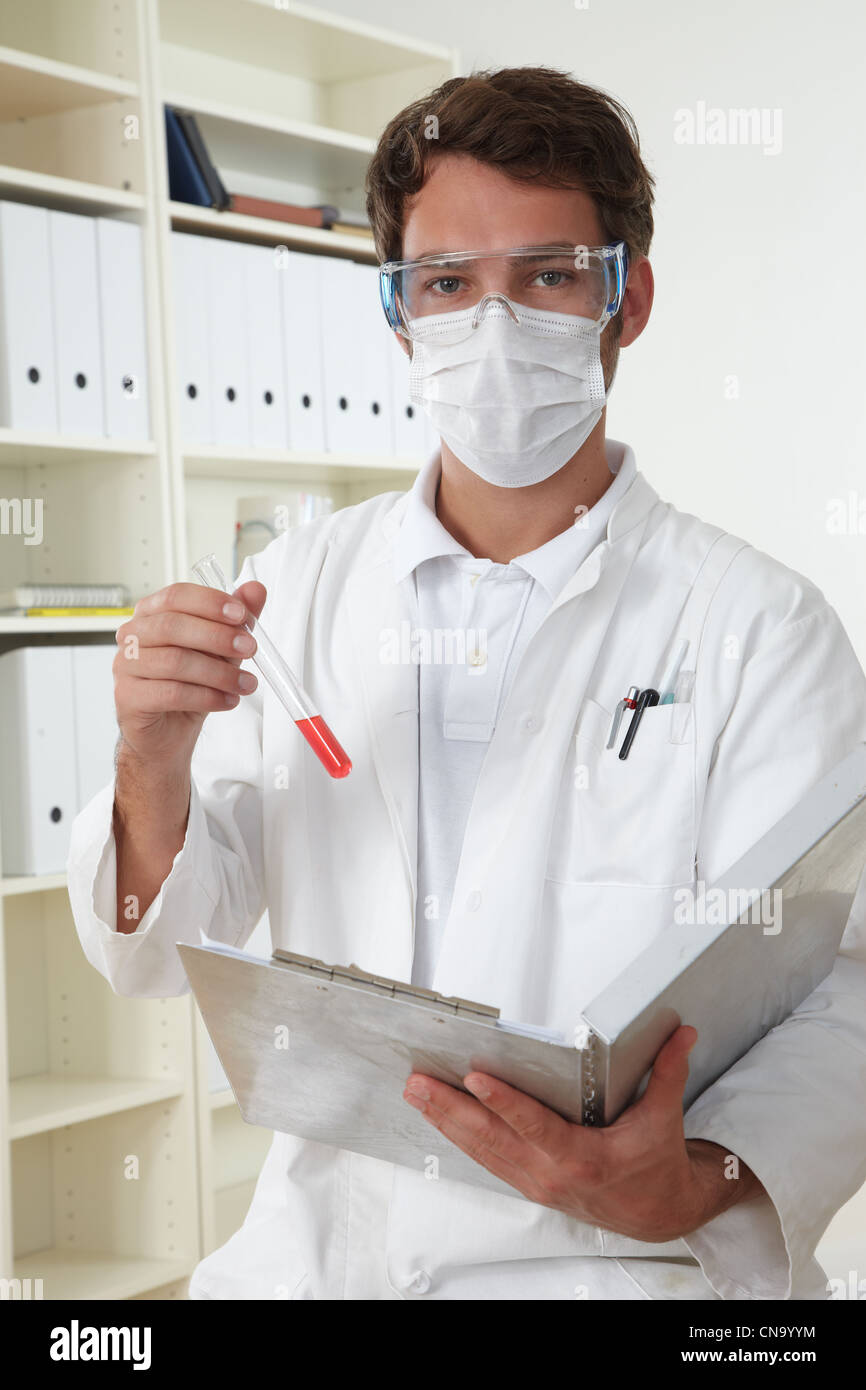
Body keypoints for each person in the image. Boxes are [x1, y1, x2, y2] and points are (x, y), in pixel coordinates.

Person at [69, 67, 866, 1301]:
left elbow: (839, 989)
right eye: (446, 284)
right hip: (316, 1261)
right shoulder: (295, 597)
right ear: (399, 314)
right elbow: (153, 958)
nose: (493, 328)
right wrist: (148, 760)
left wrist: (697, 1178)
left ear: (626, 298)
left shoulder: (757, 628)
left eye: (547, 275)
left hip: (619, 1266)